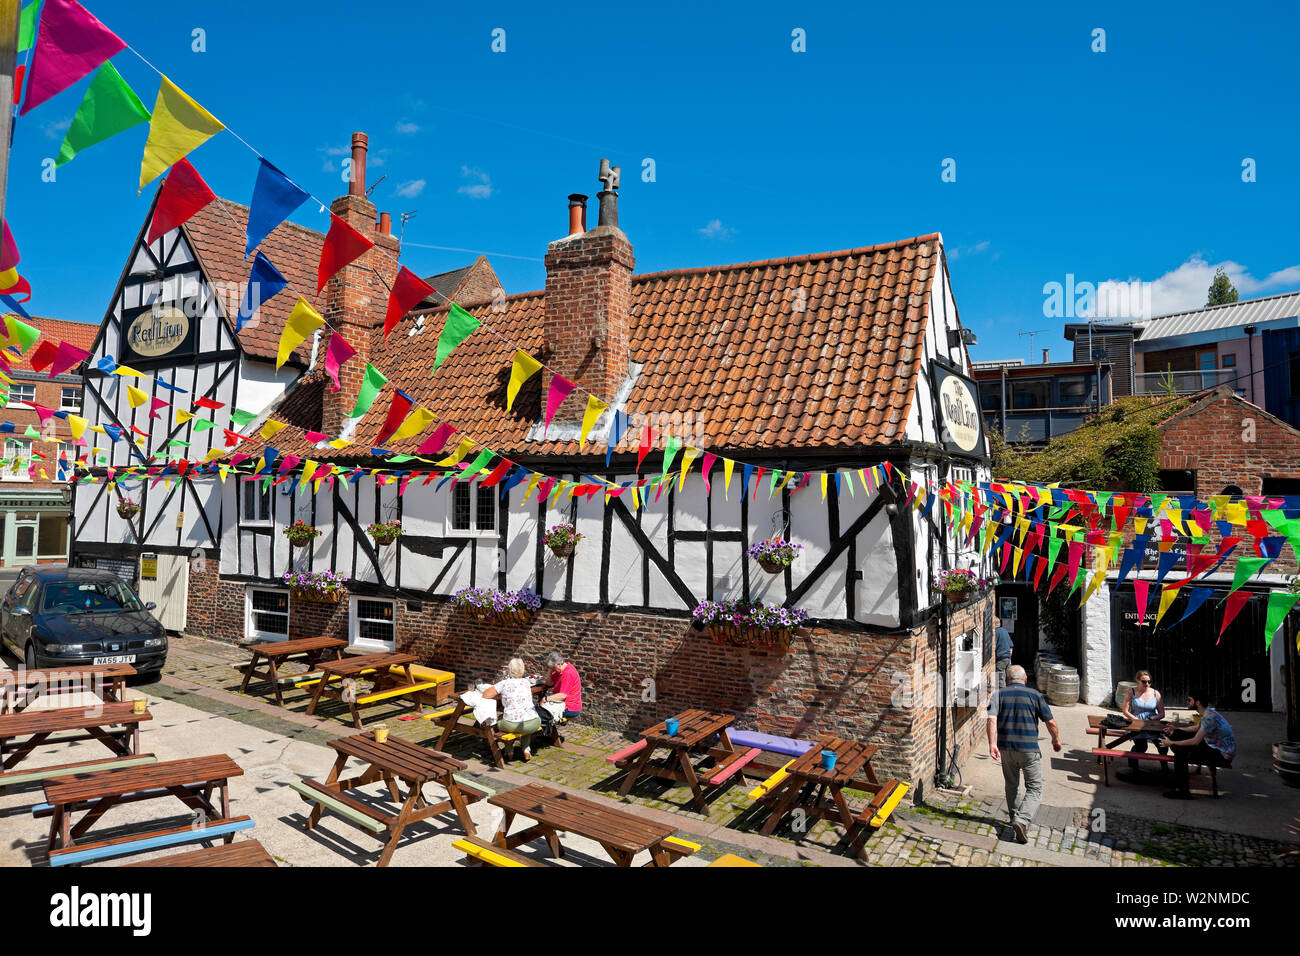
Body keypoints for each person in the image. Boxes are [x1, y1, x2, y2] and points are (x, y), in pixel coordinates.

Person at [987, 664, 1061, 844]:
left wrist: (992, 744)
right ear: (1025, 680)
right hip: (1029, 749)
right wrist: (1055, 740)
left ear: (1007, 679)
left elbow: (991, 719)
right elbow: (1050, 722)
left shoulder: (998, 695)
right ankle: (1022, 820)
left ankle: (1015, 819)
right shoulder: (1034, 695)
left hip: (1006, 748)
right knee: (1035, 788)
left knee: (1011, 785)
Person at [1158, 689, 1236, 800]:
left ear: (1197, 703)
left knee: (1180, 750)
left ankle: (1183, 790)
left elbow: (1195, 741)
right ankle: (1178, 777)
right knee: (1178, 736)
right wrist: (1176, 729)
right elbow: (1195, 728)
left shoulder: (1209, 718)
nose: (1187, 702)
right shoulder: (1206, 713)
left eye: (1189, 700)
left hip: (1222, 756)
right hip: (1214, 747)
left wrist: (1172, 742)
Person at [481, 658, 541, 762]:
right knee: (524, 719)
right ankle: (526, 750)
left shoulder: (504, 683)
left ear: (509, 670)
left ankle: (509, 751)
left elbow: (485, 695)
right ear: (523, 670)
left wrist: (500, 696)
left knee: (501, 720)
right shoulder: (526, 682)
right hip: (535, 722)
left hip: (513, 724)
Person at [1120, 670, 1167, 776]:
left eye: (1149, 682)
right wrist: (1136, 720)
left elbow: (1162, 713)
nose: (1147, 684)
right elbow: (1125, 711)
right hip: (1137, 723)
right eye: (1144, 681)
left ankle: (1164, 767)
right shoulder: (1131, 692)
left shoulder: (1156, 693)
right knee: (1141, 747)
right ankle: (1133, 766)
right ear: (1137, 681)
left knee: (1162, 745)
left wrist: (1152, 718)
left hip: (1152, 724)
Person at [542, 650, 583, 719]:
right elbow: (549, 683)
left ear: (559, 664)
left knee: (542, 712)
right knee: (541, 709)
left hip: (570, 707)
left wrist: (545, 699)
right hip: (562, 703)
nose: (553, 670)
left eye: (553, 668)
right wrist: (550, 671)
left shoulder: (567, 673)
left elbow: (562, 695)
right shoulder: (560, 670)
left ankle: (547, 729)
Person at [993, 616, 1013, 689]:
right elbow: (1011, 646)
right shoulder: (1005, 631)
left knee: (1000, 680)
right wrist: (1010, 658)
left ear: (994, 623)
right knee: (1008, 678)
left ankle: (1003, 696)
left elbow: (993, 647)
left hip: (1000, 659)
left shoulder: (995, 632)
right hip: (1007, 657)